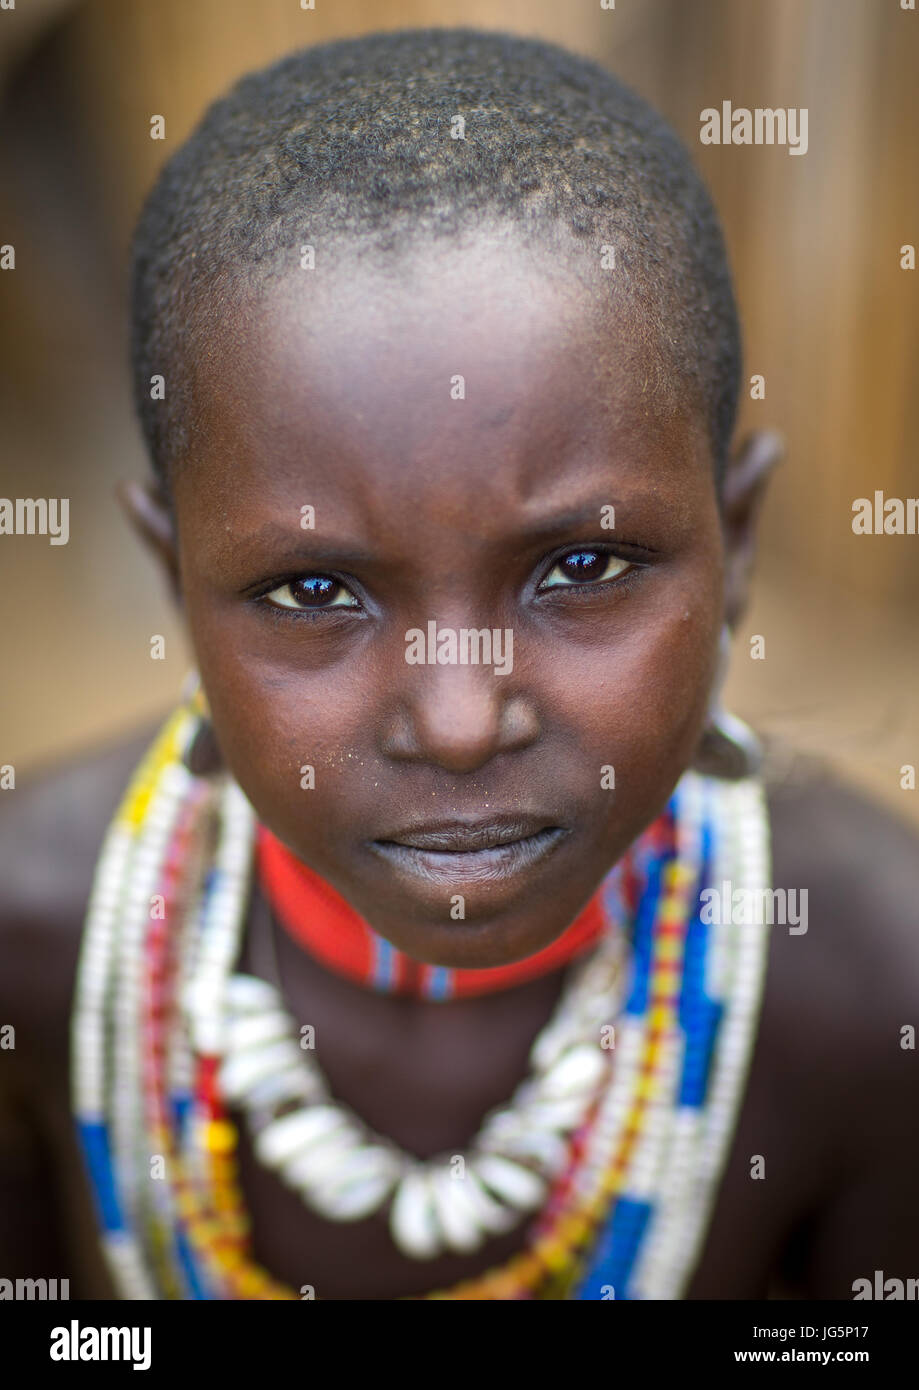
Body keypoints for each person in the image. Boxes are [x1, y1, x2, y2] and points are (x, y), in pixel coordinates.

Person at [2, 28, 917, 1302]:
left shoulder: (871, 983)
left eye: (584, 568)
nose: (457, 719)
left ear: (737, 546)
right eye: (313, 590)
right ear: (173, 582)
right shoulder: (36, 940)